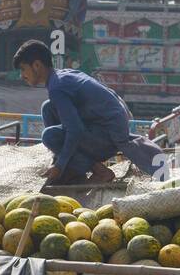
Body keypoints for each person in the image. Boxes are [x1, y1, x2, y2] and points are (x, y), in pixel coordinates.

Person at [14, 39, 164, 185]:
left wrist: (60, 166)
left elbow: (75, 130)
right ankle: (66, 164)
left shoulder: (57, 87)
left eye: (23, 69)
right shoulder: (63, 76)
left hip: (110, 136)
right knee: (47, 108)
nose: (22, 75)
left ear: (37, 65)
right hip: (107, 126)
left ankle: (99, 171)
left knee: (49, 136)